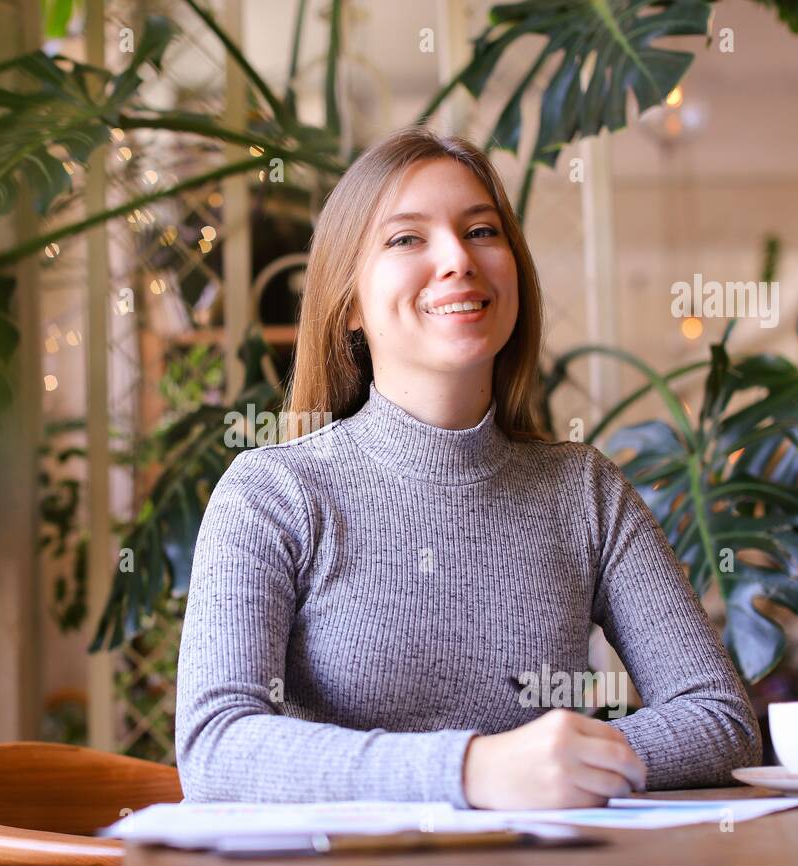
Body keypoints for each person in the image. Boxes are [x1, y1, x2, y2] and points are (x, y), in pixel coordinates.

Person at [173, 124, 762, 810]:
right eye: (406, 238)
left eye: (482, 231)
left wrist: (574, 762)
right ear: (351, 303)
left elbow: (720, 719)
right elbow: (216, 748)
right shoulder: (273, 492)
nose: (458, 258)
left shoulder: (584, 490)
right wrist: (473, 771)